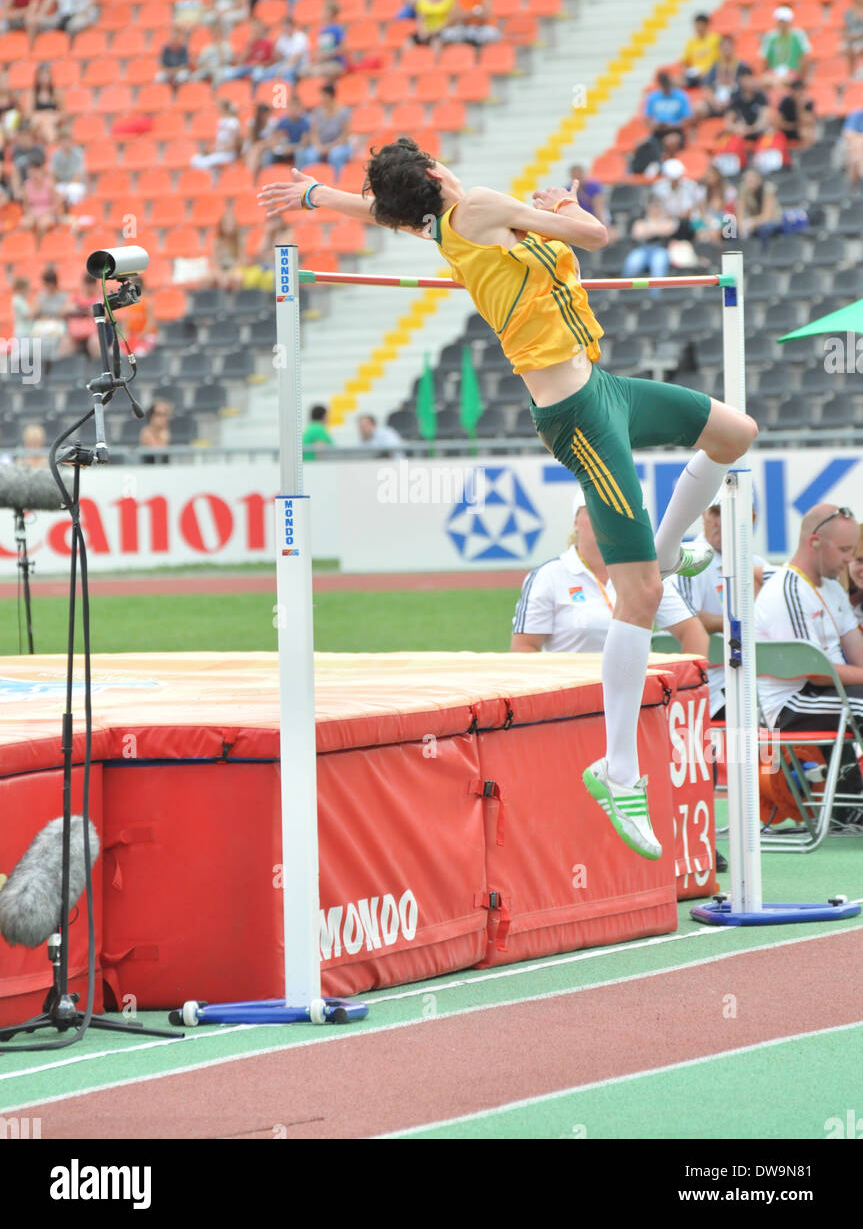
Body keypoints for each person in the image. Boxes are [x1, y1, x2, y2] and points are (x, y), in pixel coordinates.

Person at [258, 140, 757, 861]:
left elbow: (389, 214)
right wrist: (563, 209)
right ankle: (617, 772)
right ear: (434, 176)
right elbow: (593, 235)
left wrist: (317, 199)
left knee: (731, 434)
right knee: (639, 597)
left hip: (603, 388)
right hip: (579, 416)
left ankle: (668, 542)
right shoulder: (480, 205)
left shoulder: (440, 221)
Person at [754, 504, 863, 826]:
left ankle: (850, 803)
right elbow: (816, 674)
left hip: (823, 696)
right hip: (792, 705)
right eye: (845, 550)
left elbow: (857, 654)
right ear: (814, 542)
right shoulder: (788, 590)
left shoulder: (831, 588)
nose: (848, 559)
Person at [512, 489, 709, 656]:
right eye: (594, 511)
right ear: (576, 521)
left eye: (612, 513)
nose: (604, 520)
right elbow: (524, 647)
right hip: (574, 696)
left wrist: (682, 687)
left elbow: (694, 633)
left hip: (633, 697)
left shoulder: (644, 572)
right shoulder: (548, 576)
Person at [673, 502, 773, 721]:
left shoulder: (757, 564)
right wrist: (744, 623)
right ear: (703, 515)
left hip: (757, 687)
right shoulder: (687, 559)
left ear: (752, 519)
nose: (721, 522)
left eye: (731, 513)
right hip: (710, 688)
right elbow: (688, 619)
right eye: (715, 513)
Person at [295, 83, 353, 177]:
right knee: (311, 155)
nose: (321, 98)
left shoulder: (344, 112)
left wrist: (329, 147)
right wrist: (318, 146)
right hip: (321, 145)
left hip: (339, 145)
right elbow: (314, 133)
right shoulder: (317, 111)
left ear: (330, 96)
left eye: (323, 95)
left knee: (335, 155)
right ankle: (312, 183)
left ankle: (336, 182)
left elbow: (345, 135)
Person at [760, 6, 811, 87]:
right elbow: (765, 60)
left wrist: (803, 76)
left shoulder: (798, 35)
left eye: (785, 21)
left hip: (792, 72)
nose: (782, 24)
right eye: (780, 21)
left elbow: (805, 57)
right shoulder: (770, 37)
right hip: (774, 73)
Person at [190, 100, 243, 172]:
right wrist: (212, 150)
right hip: (219, 151)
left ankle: (209, 181)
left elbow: (233, 144)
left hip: (228, 153)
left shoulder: (233, 123)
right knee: (195, 159)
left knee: (204, 163)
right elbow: (219, 141)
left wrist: (217, 150)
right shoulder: (221, 121)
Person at [51, 127, 87, 206]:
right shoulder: (56, 155)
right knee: (53, 191)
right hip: (61, 183)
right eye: (62, 140)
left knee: (73, 191)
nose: (65, 142)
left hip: (75, 184)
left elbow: (79, 175)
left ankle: (73, 212)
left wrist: (66, 188)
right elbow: (53, 175)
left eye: (67, 140)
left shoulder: (78, 153)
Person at [682, 13, 720, 87]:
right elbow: (685, 62)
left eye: (700, 25)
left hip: (711, 73)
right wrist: (686, 72)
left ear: (706, 25)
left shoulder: (715, 39)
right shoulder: (691, 42)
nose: (698, 28)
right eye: (696, 25)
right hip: (695, 75)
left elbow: (720, 60)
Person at [843, 0, 863, 76]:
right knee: (843, 47)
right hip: (852, 39)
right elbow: (846, 30)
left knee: (857, 47)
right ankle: (850, 74)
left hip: (860, 39)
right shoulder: (849, 12)